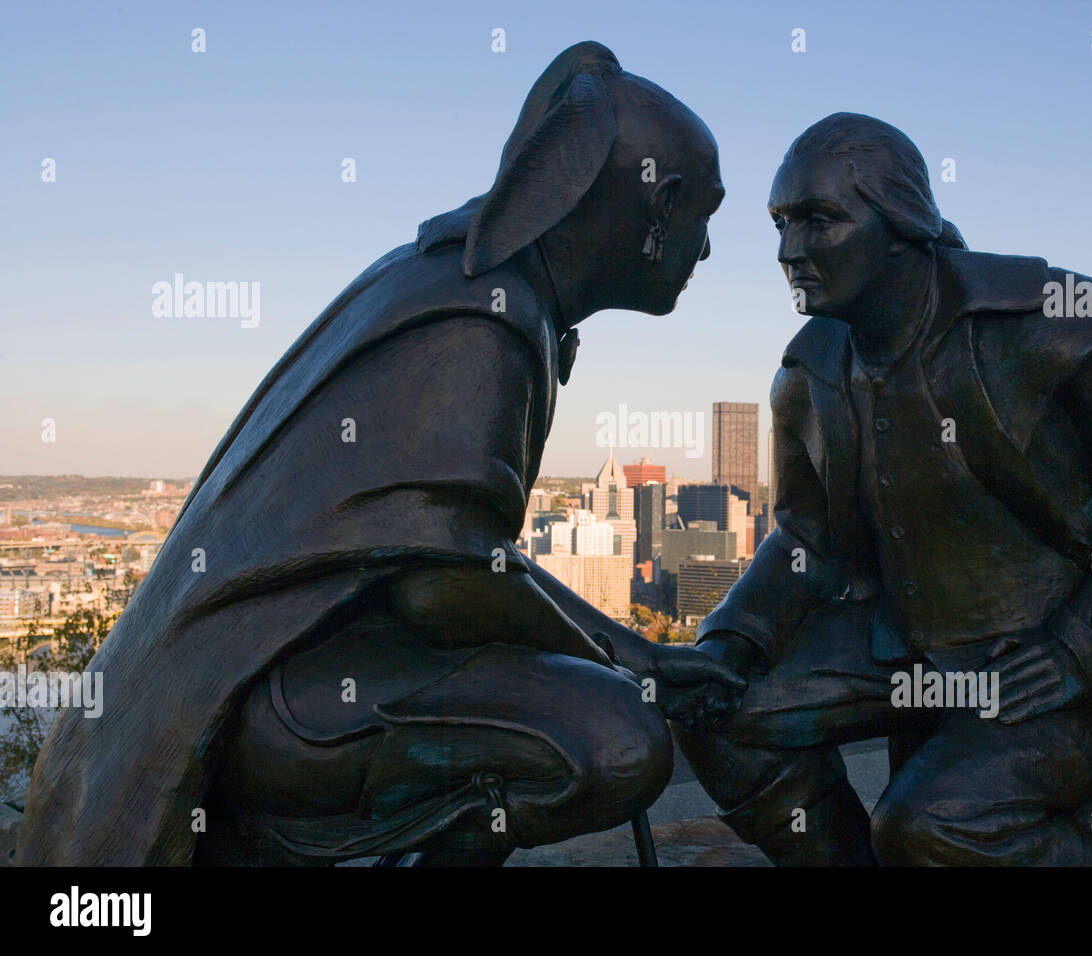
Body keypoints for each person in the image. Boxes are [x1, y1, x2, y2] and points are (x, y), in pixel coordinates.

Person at [17, 42, 742, 867]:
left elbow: (460, 553)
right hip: (271, 698)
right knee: (616, 742)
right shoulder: (485, 324)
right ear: (661, 210)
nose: (708, 250)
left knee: (594, 705)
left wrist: (637, 653)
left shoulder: (457, 284)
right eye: (704, 218)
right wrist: (633, 666)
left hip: (281, 676)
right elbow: (443, 588)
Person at [676, 112, 1092, 866]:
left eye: (819, 220)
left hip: (1052, 657)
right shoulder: (808, 375)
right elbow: (808, 538)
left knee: (931, 825)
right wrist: (731, 641)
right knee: (713, 716)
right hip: (904, 650)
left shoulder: (1054, 321)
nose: (788, 251)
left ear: (902, 222)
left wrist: (1081, 646)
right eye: (779, 224)